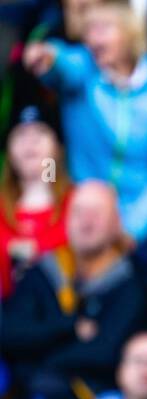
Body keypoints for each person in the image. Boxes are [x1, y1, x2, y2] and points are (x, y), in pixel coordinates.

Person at [23, 1, 147, 262]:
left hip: (140, 224)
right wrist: (47, 55)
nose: (93, 37)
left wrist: (133, 225)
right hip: (80, 214)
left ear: (130, 32)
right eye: (89, 29)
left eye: (104, 28)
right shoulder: (85, 70)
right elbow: (63, 64)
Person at [1, 181, 144, 399]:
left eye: (96, 214)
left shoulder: (133, 282)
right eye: (78, 212)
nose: (86, 222)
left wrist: (39, 358)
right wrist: (69, 328)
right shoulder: (42, 271)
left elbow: (106, 353)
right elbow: (10, 334)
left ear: (117, 222)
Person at [0, 106, 72, 299]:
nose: (30, 143)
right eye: (21, 134)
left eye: (40, 133)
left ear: (57, 147)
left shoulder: (74, 201)